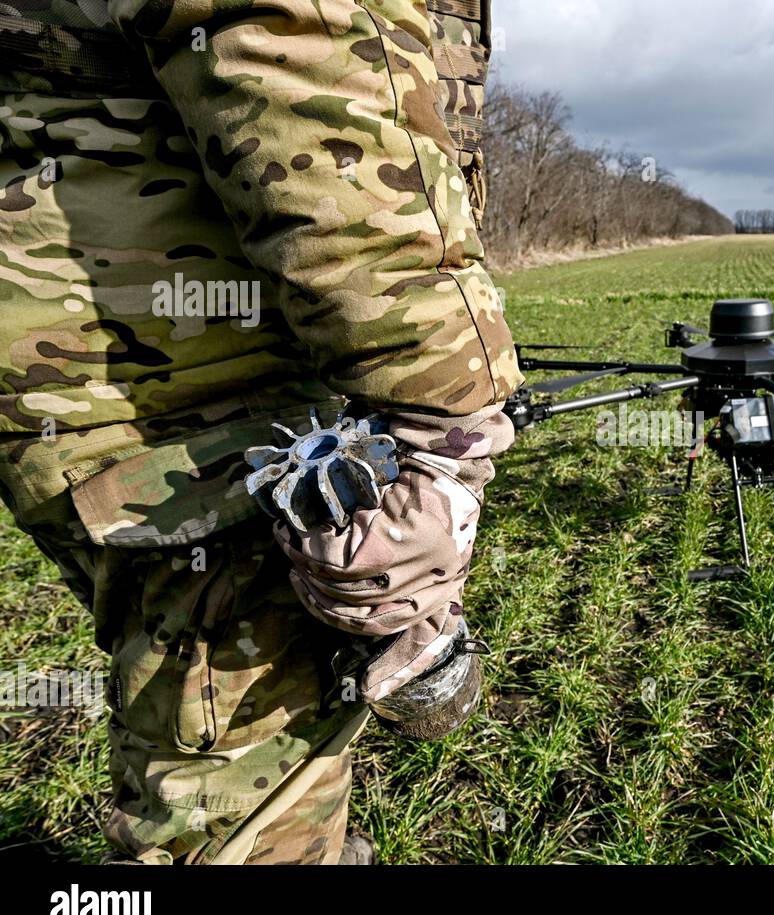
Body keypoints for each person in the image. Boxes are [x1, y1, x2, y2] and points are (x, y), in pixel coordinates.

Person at [0, 0, 521, 863]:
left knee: (217, 739)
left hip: (103, 377)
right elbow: (302, 55)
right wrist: (446, 419)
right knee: (238, 803)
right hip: (194, 400)